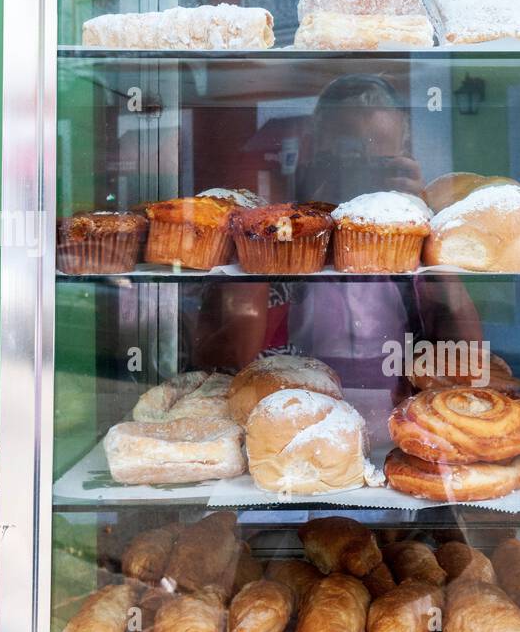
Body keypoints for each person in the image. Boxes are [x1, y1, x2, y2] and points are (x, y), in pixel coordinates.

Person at [185, 74, 484, 399]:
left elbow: (466, 360)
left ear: (403, 154)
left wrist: (423, 223)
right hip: (287, 406)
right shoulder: (282, 231)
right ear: (314, 152)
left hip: (401, 406)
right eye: (348, 157)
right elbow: (227, 359)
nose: (361, 173)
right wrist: (289, 217)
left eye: (381, 162)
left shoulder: (409, 233)